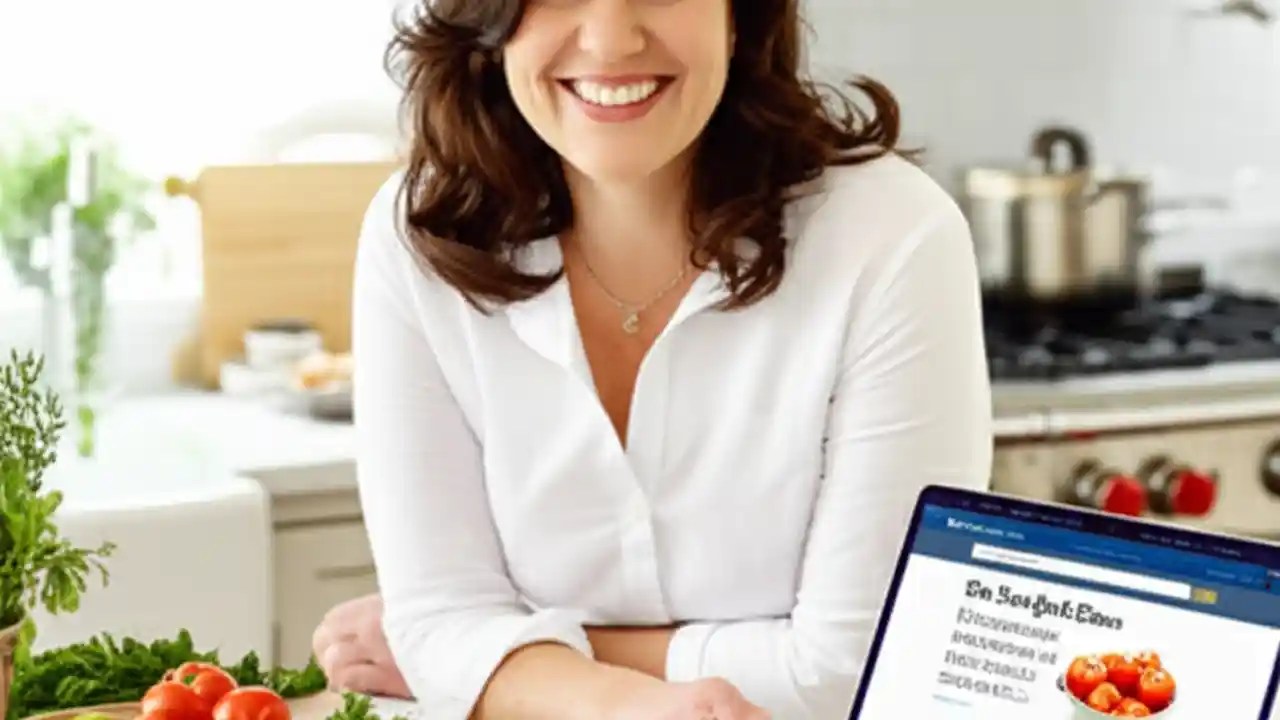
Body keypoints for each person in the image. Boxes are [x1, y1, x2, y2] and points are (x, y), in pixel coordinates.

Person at [312, 0, 993, 718]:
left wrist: (508, 658)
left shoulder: (891, 237)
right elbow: (440, 629)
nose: (611, 38)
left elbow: (856, 667)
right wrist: (615, 698)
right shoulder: (417, 234)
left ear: (741, 15)